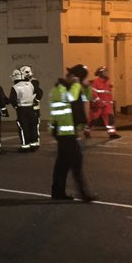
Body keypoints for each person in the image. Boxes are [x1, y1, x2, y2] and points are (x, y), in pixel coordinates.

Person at [49, 64, 96, 202]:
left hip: (68, 131)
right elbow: (70, 98)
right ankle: (84, 193)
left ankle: (58, 192)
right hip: (63, 132)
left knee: (62, 164)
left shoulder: (73, 88)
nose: (68, 76)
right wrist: (77, 85)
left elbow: (87, 98)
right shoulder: (60, 88)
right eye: (71, 75)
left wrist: (87, 87)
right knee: (76, 160)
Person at [85, 66, 121, 139]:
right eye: (105, 72)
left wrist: (110, 104)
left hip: (107, 106)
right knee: (93, 119)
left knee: (110, 120)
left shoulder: (107, 83)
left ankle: (112, 134)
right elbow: (93, 94)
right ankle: (87, 131)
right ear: (101, 73)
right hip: (97, 105)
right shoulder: (96, 82)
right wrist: (98, 102)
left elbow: (108, 95)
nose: (107, 73)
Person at [9, 68, 38, 151]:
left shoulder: (15, 87)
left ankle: (25, 146)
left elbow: (12, 99)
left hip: (22, 109)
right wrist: (35, 101)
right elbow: (38, 92)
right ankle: (34, 144)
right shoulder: (30, 84)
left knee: (23, 127)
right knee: (32, 126)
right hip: (31, 108)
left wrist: (16, 106)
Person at [20, 65, 43, 148]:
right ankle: (34, 142)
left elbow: (39, 92)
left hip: (32, 107)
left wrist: (35, 101)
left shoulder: (33, 82)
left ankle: (35, 142)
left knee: (33, 126)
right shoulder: (31, 82)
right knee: (32, 126)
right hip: (31, 107)